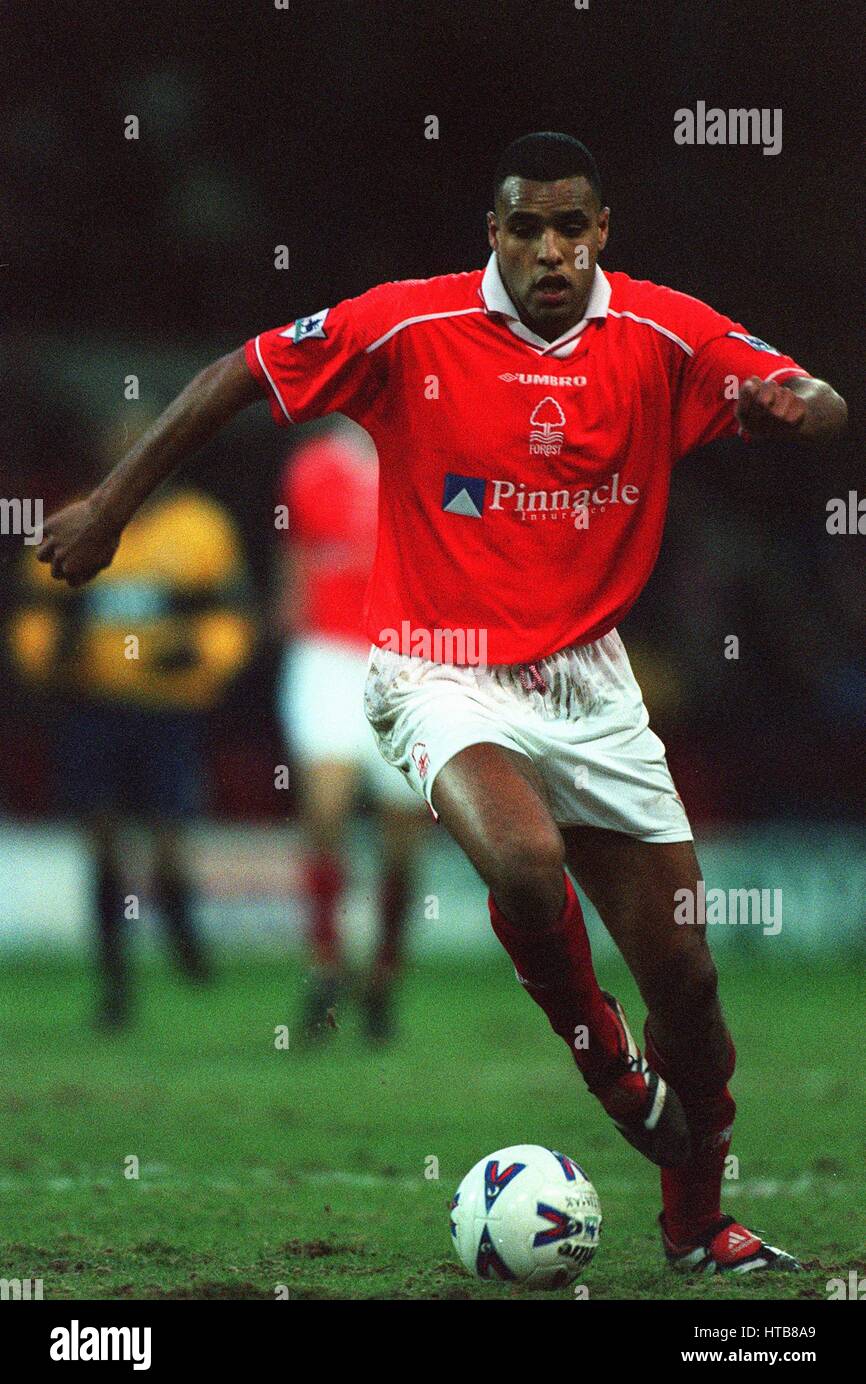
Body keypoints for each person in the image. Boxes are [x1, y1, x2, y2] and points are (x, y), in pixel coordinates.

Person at [36, 131, 847, 1271]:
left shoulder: (664, 331)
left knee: (693, 988)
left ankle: (696, 1227)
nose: (550, 250)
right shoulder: (405, 326)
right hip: (437, 666)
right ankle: (603, 1059)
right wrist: (112, 507)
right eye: (526, 228)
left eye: (572, 227)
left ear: (600, 233)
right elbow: (241, 370)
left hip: (591, 686)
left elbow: (799, 390)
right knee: (521, 862)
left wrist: (801, 405)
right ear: (494, 234)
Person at [13, 463, 255, 1028]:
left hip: (168, 711)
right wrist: (50, 657)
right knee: (101, 843)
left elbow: (232, 613)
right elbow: (36, 614)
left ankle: (179, 925)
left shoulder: (198, 528)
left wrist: (200, 655)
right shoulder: (73, 523)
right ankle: (115, 980)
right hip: (92, 707)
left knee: (170, 840)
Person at [273, 419, 426, 1041]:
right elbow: (295, 558)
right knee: (326, 807)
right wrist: (290, 620)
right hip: (329, 656)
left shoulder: (428, 454)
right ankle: (326, 961)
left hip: (409, 657)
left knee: (400, 836)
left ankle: (385, 971)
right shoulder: (312, 465)